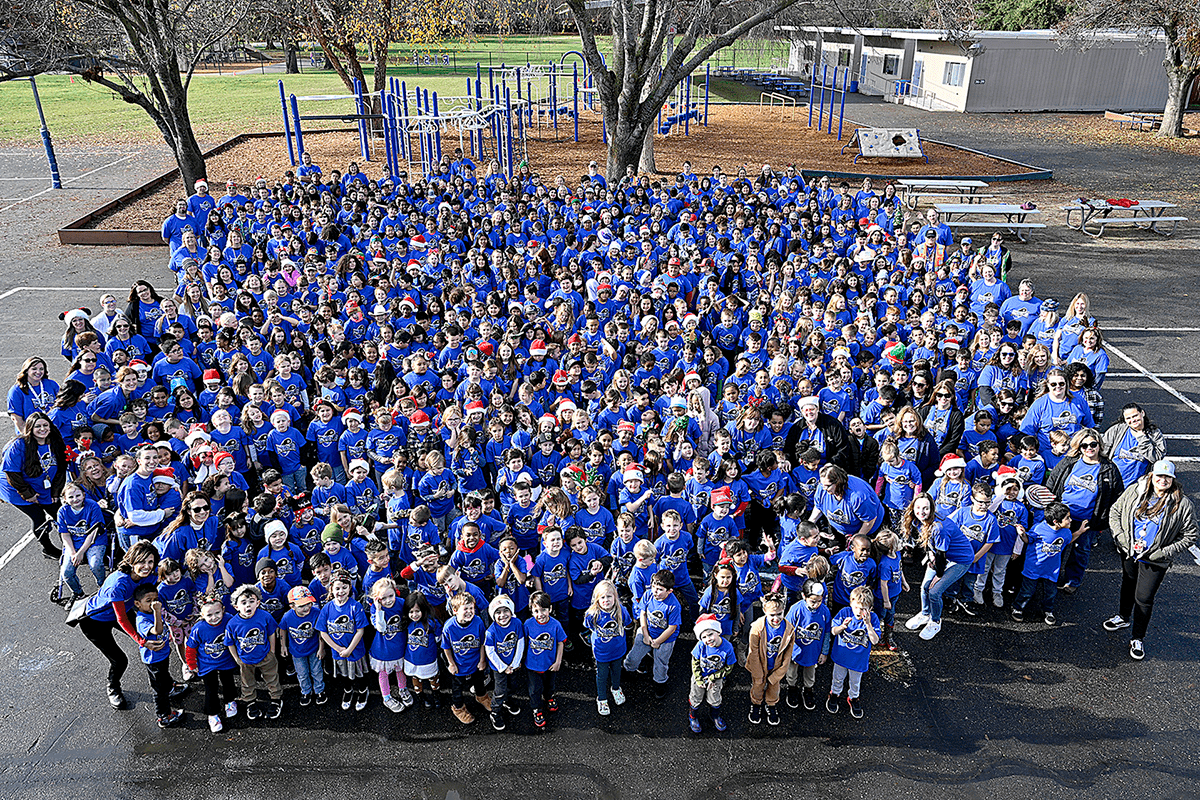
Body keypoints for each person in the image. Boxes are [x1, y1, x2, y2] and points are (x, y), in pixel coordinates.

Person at [1105, 460, 1198, 661]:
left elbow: (1190, 535)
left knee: (1144, 598)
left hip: (1155, 559)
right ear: (1152, 475)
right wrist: (1120, 537)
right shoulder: (1135, 491)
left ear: (1173, 479)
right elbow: (1115, 511)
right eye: (1159, 476)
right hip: (1130, 550)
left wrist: (1164, 552)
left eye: (1167, 477)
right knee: (1128, 583)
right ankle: (1122, 617)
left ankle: (1137, 637)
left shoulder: (1182, 504)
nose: (1162, 480)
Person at [76, 540, 160, 709]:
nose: (147, 566)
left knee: (153, 639)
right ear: (131, 561)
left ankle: (165, 684)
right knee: (120, 660)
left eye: (150, 561)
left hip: (123, 608)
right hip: (95, 622)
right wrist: (141, 641)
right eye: (142, 562)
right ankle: (113, 687)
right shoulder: (118, 583)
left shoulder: (151, 574)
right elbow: (121, 618)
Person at [1045, 428, 1124, 594]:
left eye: (1093, 444)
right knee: (1056, 548)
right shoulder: (1068, 462)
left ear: (1099, 445)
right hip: (1062, 518)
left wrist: (1105, 519)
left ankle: (1072, 581)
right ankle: (1050, 577)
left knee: (1080, 552)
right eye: (1084, 445)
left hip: (1087, 520)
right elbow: (1052, 484)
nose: (1089, 448)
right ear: (1078, 447)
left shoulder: (1109, 468)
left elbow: (1117, 496)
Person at [904, 494, 975, 641]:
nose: (921, 511)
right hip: (940, 555)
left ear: (932, 509)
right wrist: (930, 554)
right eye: (918, 507)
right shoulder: (919, 521)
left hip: (959, 560)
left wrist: (939, 575)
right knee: (924, 586)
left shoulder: (939, 527)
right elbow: (930, 543)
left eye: (925, 508)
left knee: (934, 591)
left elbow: (942, 556)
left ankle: (935, 621)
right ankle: (925, 614)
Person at [2, 412, 68, 558]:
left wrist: (56, 491)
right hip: (16, 488)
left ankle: (70, 545)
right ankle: (48, 549)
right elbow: (12, 474)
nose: (42, 429)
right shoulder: (19, 445)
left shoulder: (55, 441)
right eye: (38, 426)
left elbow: (62, 468)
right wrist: (28, 494)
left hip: (43, 484)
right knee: (39, 517)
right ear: (30, 428)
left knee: (59, 513)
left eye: (45, 425)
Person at [827, 585, 881, 719]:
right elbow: (833, 631)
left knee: (855, 682)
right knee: (837, 678)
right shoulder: (845, 612)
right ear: (851, 603)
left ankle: (853, 698)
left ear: (870, 609)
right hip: (841, 657)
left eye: (863, 609)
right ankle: (835, 694)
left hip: (858, 660)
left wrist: (868, 625)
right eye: (856, 607)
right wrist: (842, 627)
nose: (859, 611)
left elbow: (874, 641)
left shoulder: (873, 619)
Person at [745, 593, 794, 726]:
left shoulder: (789, 629)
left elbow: (788, 655)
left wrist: (779, 673)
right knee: (758, 685)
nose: (776, 618)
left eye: (779, 613)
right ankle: (756, 703)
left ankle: (771, 704)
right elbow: (753, 652)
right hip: (759, 664)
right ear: (764, 611)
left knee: (774, 687)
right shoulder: (757, 627)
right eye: (772, 615)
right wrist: (758, 672)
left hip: (776, 665)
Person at [688, 614, 736, 733]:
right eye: (704, 637)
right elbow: (695, 663)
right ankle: (693, 717)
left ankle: (714, 716)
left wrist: (714, 677)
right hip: (700, 675)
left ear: (718, 631)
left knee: (715, 698)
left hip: (716, 677)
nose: (708, 639)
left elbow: (729, 667)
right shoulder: (700, 646)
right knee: (695, 697)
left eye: (710, 634)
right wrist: (699, 679)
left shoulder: (728, 647)